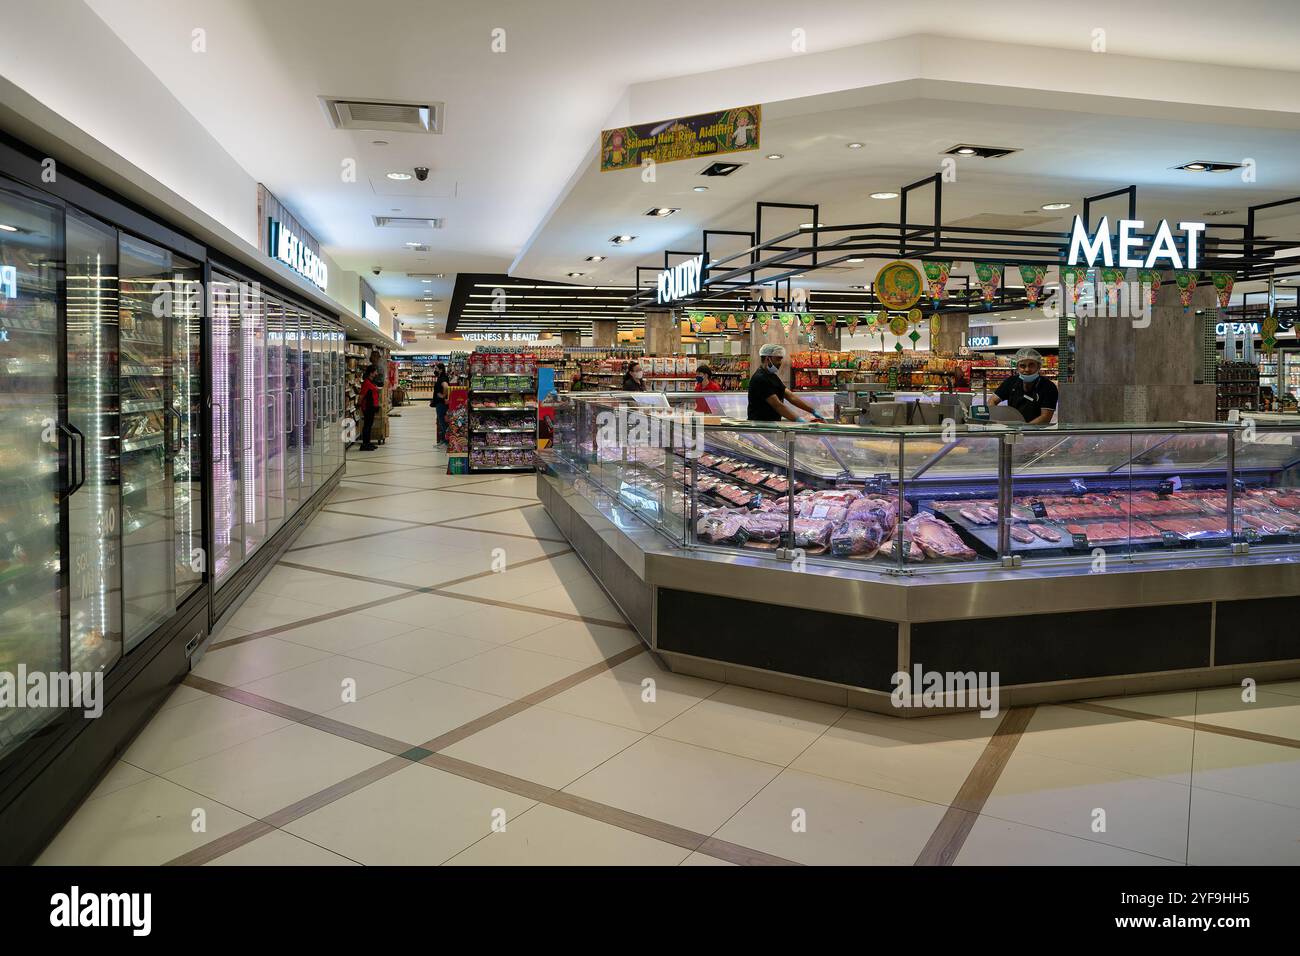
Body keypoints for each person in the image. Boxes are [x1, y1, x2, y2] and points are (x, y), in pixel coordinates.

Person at [747, 344, 826, 422]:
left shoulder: (772, 376)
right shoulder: (760, 378)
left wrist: (813, 411)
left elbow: (791, 397)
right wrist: (800, 421)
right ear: (768, 359)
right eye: (778, 359)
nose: (780, 362)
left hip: (772, 424)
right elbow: (778, 405)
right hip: (760, 426)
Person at [993, 347, 1058, 425]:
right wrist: (997, 420)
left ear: (1038, 366)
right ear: (1017, 368)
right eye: (1022, 366)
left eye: (1031, 365)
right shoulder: (1011, 382)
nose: (1027, 369)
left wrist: (1024, 429)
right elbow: (992, 401)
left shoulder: (1048, 387)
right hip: (1011, 429)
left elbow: (1045, 417)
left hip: (1035, 432)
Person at [357, 366, 382, 450]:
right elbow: (362, 395)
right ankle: (364, 444)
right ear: (371, 373)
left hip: (372, 406)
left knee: (369, 425)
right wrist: (359, 404)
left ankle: (368, 442)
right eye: (375, 372)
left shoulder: (371, 382)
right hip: (368, 407)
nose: (376, 373)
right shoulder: (366, 383)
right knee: (367, 425)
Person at [430, 362, 451, 445]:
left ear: (441, 370)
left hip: (441, 404)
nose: (434, 370)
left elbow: (446, 386)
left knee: (442, 422)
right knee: (441, 421)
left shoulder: (443, 378)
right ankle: (444, 440)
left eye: (436, 369)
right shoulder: (441, 377)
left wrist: (443, 396)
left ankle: (446, 441)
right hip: (439, 403)